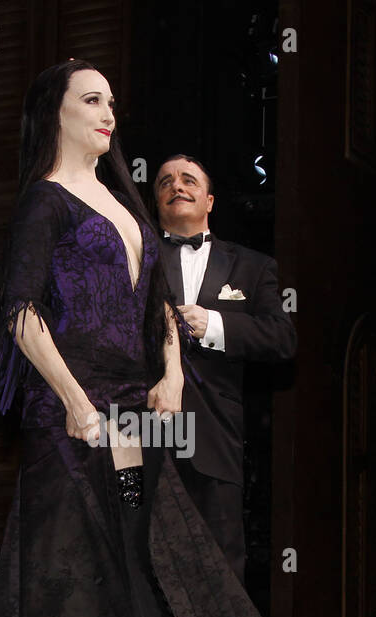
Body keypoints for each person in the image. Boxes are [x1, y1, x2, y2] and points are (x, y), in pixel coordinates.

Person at [0, 60, 323, 617]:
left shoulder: (123, 204)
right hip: (69, 413)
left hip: (132, 414)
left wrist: (169, 375)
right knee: (73, 562)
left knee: (129, 552)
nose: (109, 112)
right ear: (57, 113)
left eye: (112, 100)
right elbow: (19, 312)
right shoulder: (45, 201)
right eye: (92, 99)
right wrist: (75, 403)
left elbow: (159, 307)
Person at [153, 155, 297, 585]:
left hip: (216, 438)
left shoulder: (252, 266)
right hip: (142, 433)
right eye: (164, 181)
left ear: (210, 200)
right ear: (157, 200)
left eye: (188, 179)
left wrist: (215, 324)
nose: (176, 185)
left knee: (219, 568)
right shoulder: (135, 259)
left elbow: (282, 339)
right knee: (144, 559)